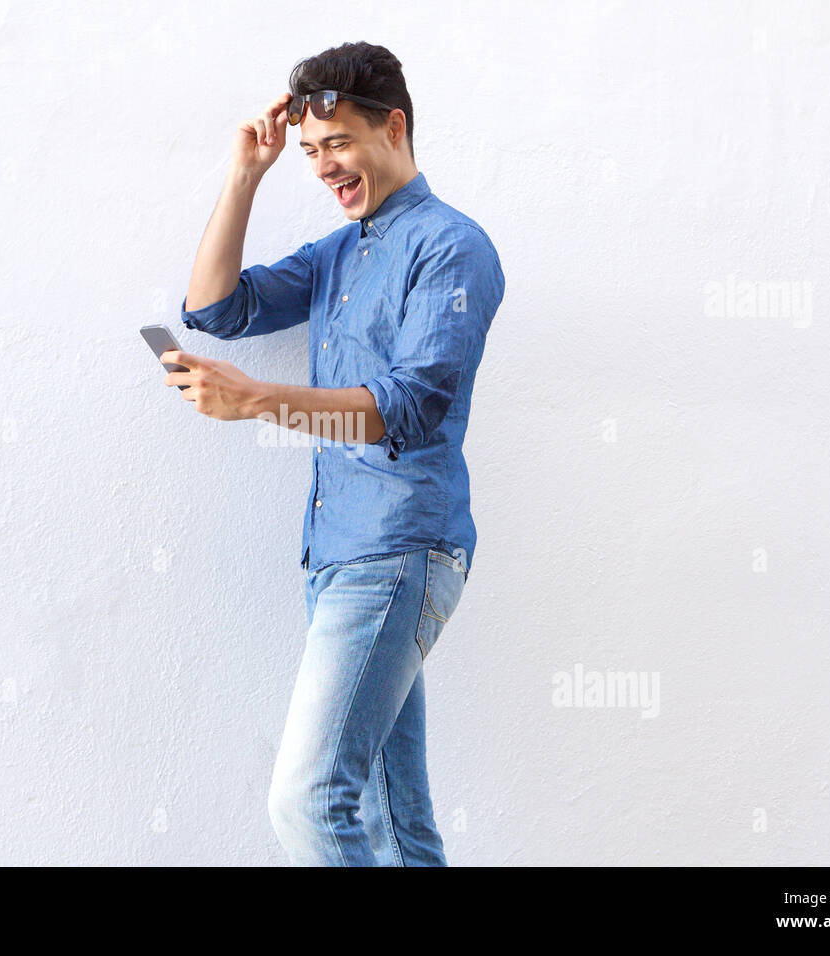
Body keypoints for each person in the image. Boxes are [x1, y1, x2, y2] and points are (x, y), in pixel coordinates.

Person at [168, 41, 505, 866]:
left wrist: (254, 400)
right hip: (339, 554)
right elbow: (214, 310)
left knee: (310, 803)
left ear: (394, 127)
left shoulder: (452, 247)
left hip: (396, 552)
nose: (324, 167)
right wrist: (248, 172)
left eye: (339, 144)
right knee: (395, 822)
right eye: (312, 152)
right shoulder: (337, 254)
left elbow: (411, 409)